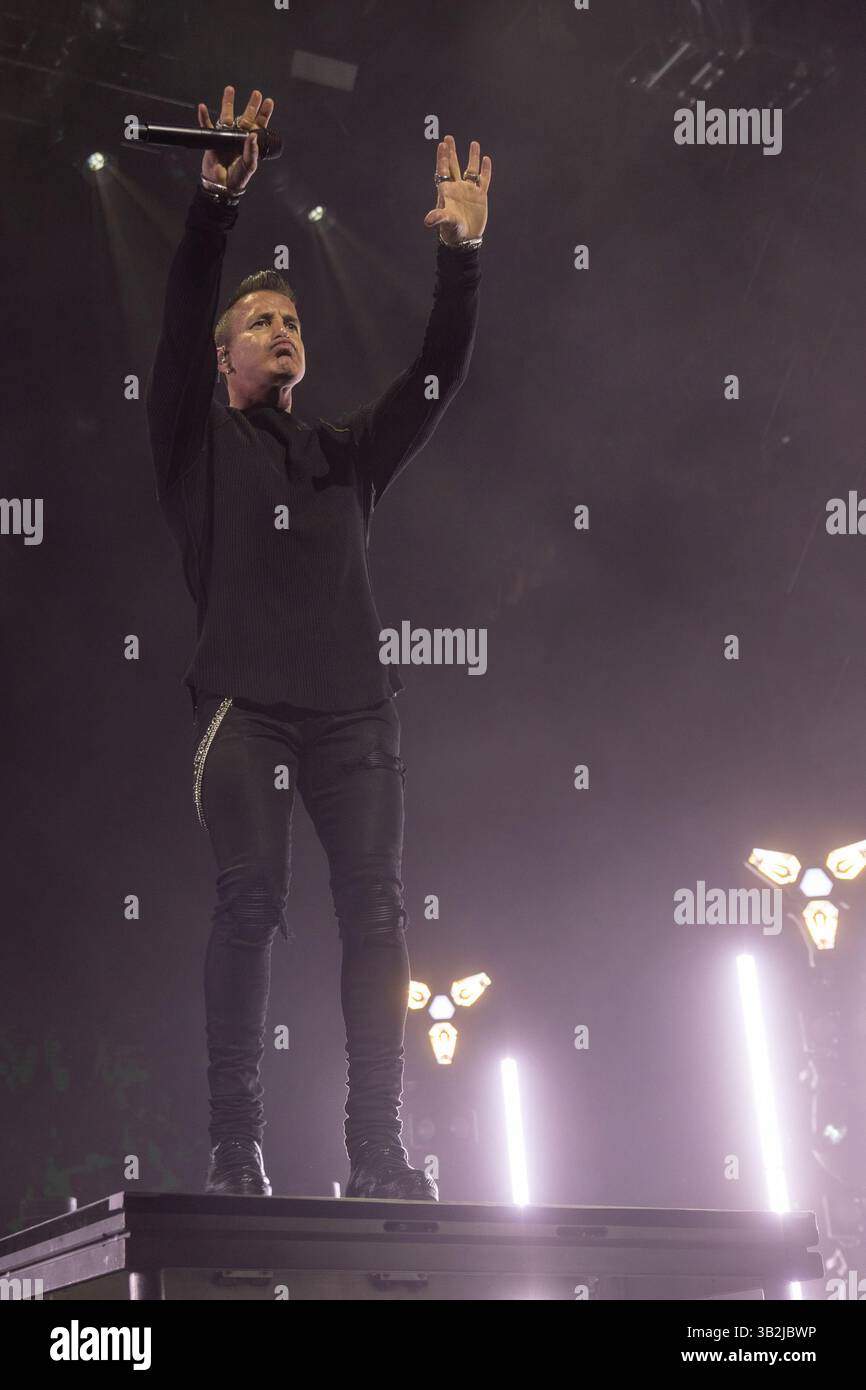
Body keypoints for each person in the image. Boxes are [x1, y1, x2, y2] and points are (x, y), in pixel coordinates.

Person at [145, 84, 491, 1199]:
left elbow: (433, 380)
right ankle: (235, 1146)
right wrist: (214, 206)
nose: (281, 329)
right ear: (221, 357)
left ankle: (375, 1149)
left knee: (375, 911)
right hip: (241, 707)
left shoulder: (346, 454)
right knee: (253, 899)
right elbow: (187, 295)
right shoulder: (193, 440)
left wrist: (462, 260)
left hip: (354, 713)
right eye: (260, 322)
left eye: (292, 319)